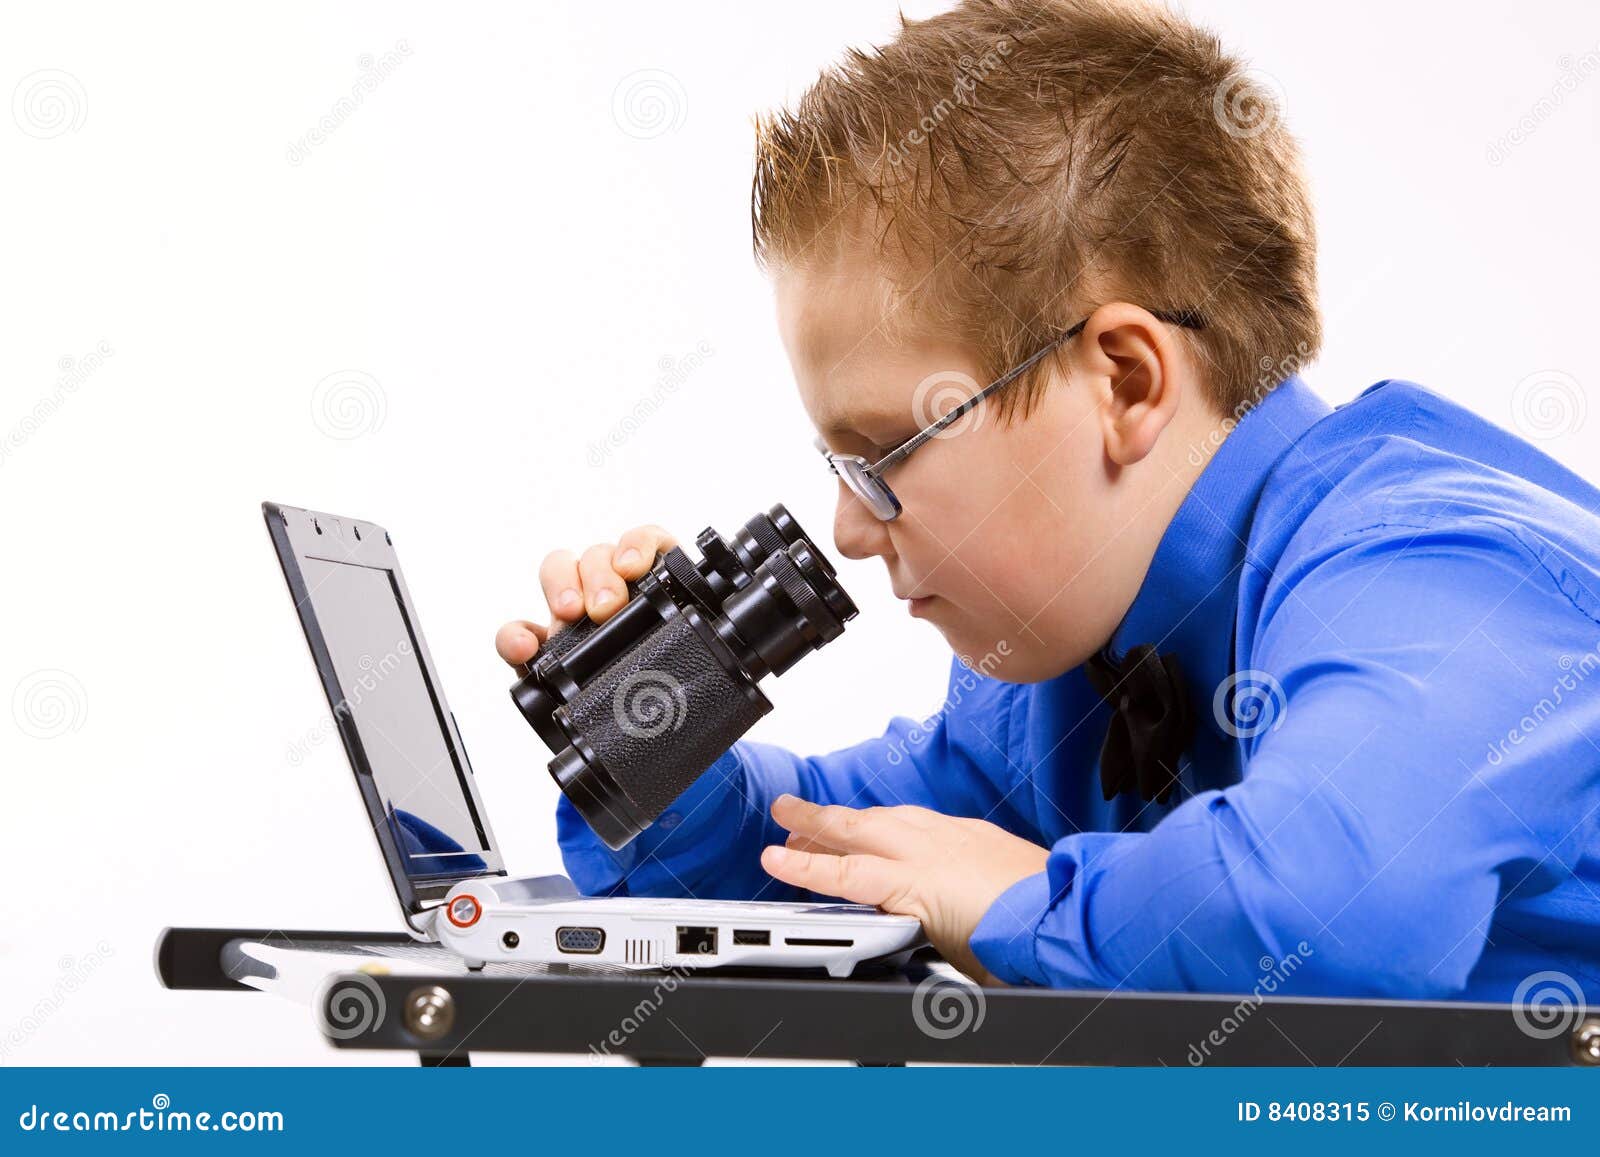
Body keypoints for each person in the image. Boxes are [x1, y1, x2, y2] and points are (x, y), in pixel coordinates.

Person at [496, 0, 1600, 998]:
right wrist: (649, 729)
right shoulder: (1064, 679)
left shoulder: (1452, 566)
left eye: (882, 451)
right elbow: (819, 864)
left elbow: (1314, 913)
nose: (845, 526)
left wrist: (1017, 901)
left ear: (1123, 381)